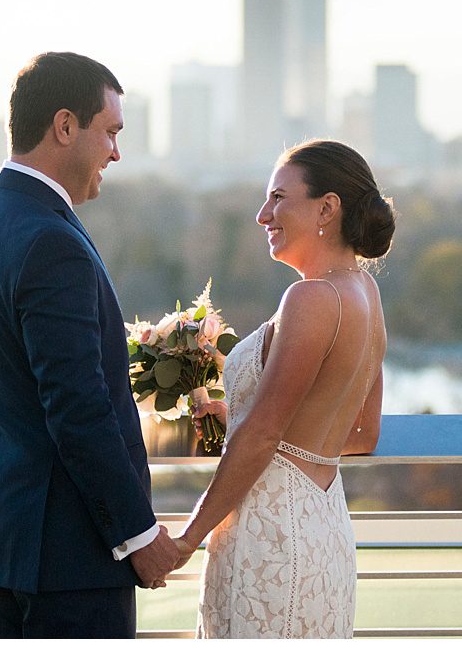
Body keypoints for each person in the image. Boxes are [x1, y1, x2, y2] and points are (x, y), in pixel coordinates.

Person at [0, 52, 180, 638]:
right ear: (65, 126)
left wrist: (19, 411)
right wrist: (137, 535)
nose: (116, 153)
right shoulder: (52, 241)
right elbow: (76, 407)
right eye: (110, 132)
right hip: (71, 558)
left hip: (1, 542)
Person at [172, 139, 395, 638]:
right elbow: (363, 434)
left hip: (273, 538)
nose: (262, 215)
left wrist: (188, 538)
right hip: (325, 533)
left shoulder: (310, 298)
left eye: (278, 198)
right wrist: (238, 417)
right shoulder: (367, 293)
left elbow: (263, 435)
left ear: (327, 208)